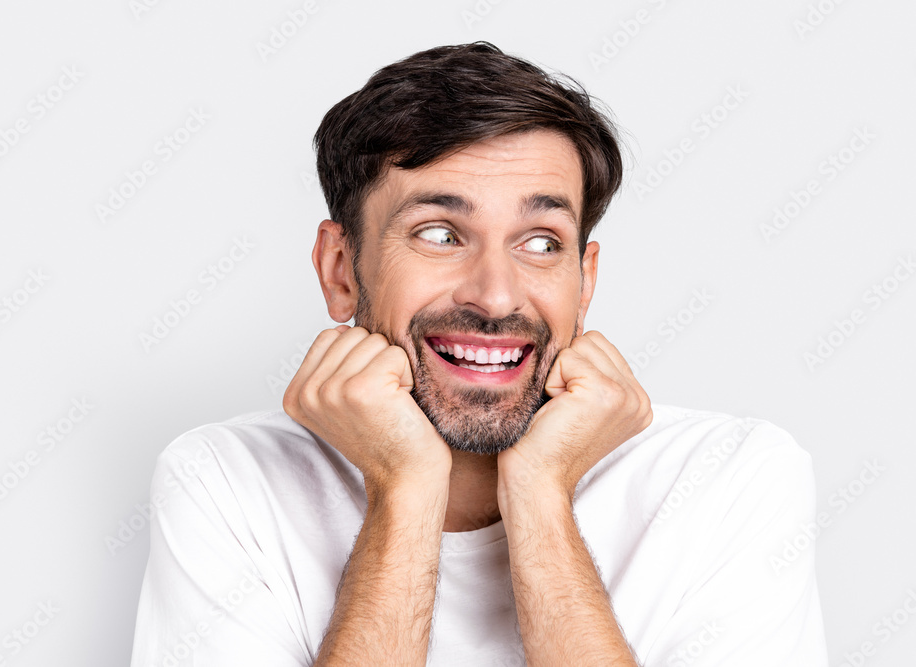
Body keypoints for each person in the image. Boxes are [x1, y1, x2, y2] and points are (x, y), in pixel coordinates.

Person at [130, 42, 827, 666]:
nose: (496, 296)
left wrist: (541, 492)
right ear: (341, 269)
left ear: (584, 282)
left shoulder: (729, 478)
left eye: (541, 242)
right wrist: (404, 488)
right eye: (439, 233)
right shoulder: (225, 483)